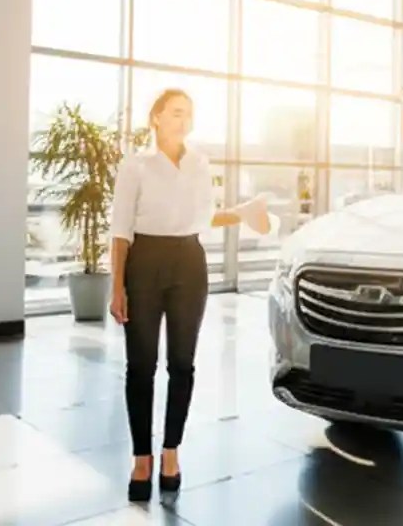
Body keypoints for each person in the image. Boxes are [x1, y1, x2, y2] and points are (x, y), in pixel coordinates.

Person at [109, 88, 271, 502]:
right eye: (176, 112)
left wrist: (241, 213)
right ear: (156, 117)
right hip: (144, 262)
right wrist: (117, 286)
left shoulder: (199, 163)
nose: (184, 121)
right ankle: (141, 458)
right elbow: (121, 230)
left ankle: (171, 452)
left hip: (189, 263)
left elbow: (203, 216)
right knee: (140, 367)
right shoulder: (136, 165)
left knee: (182, 364)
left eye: (189, 114)